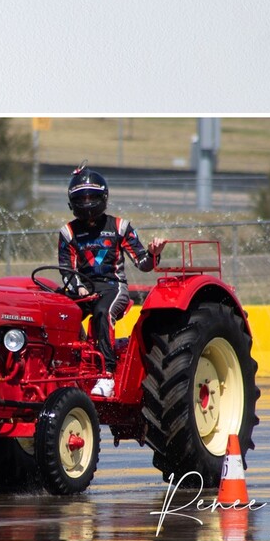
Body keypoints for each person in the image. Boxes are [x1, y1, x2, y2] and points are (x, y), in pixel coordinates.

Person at [58, 163, 166, 398]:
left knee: (102, 312)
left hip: (113, 287)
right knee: (58, 310)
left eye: (91, 197)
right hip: (82, 287)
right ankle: (68, 367)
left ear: (103, 197)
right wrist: (79, 288)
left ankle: (107, 375)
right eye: (81, 198)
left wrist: (154, 253)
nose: (87, 203)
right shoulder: (67, 232)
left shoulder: (120, 227)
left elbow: (143, 264)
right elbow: (66, 270)